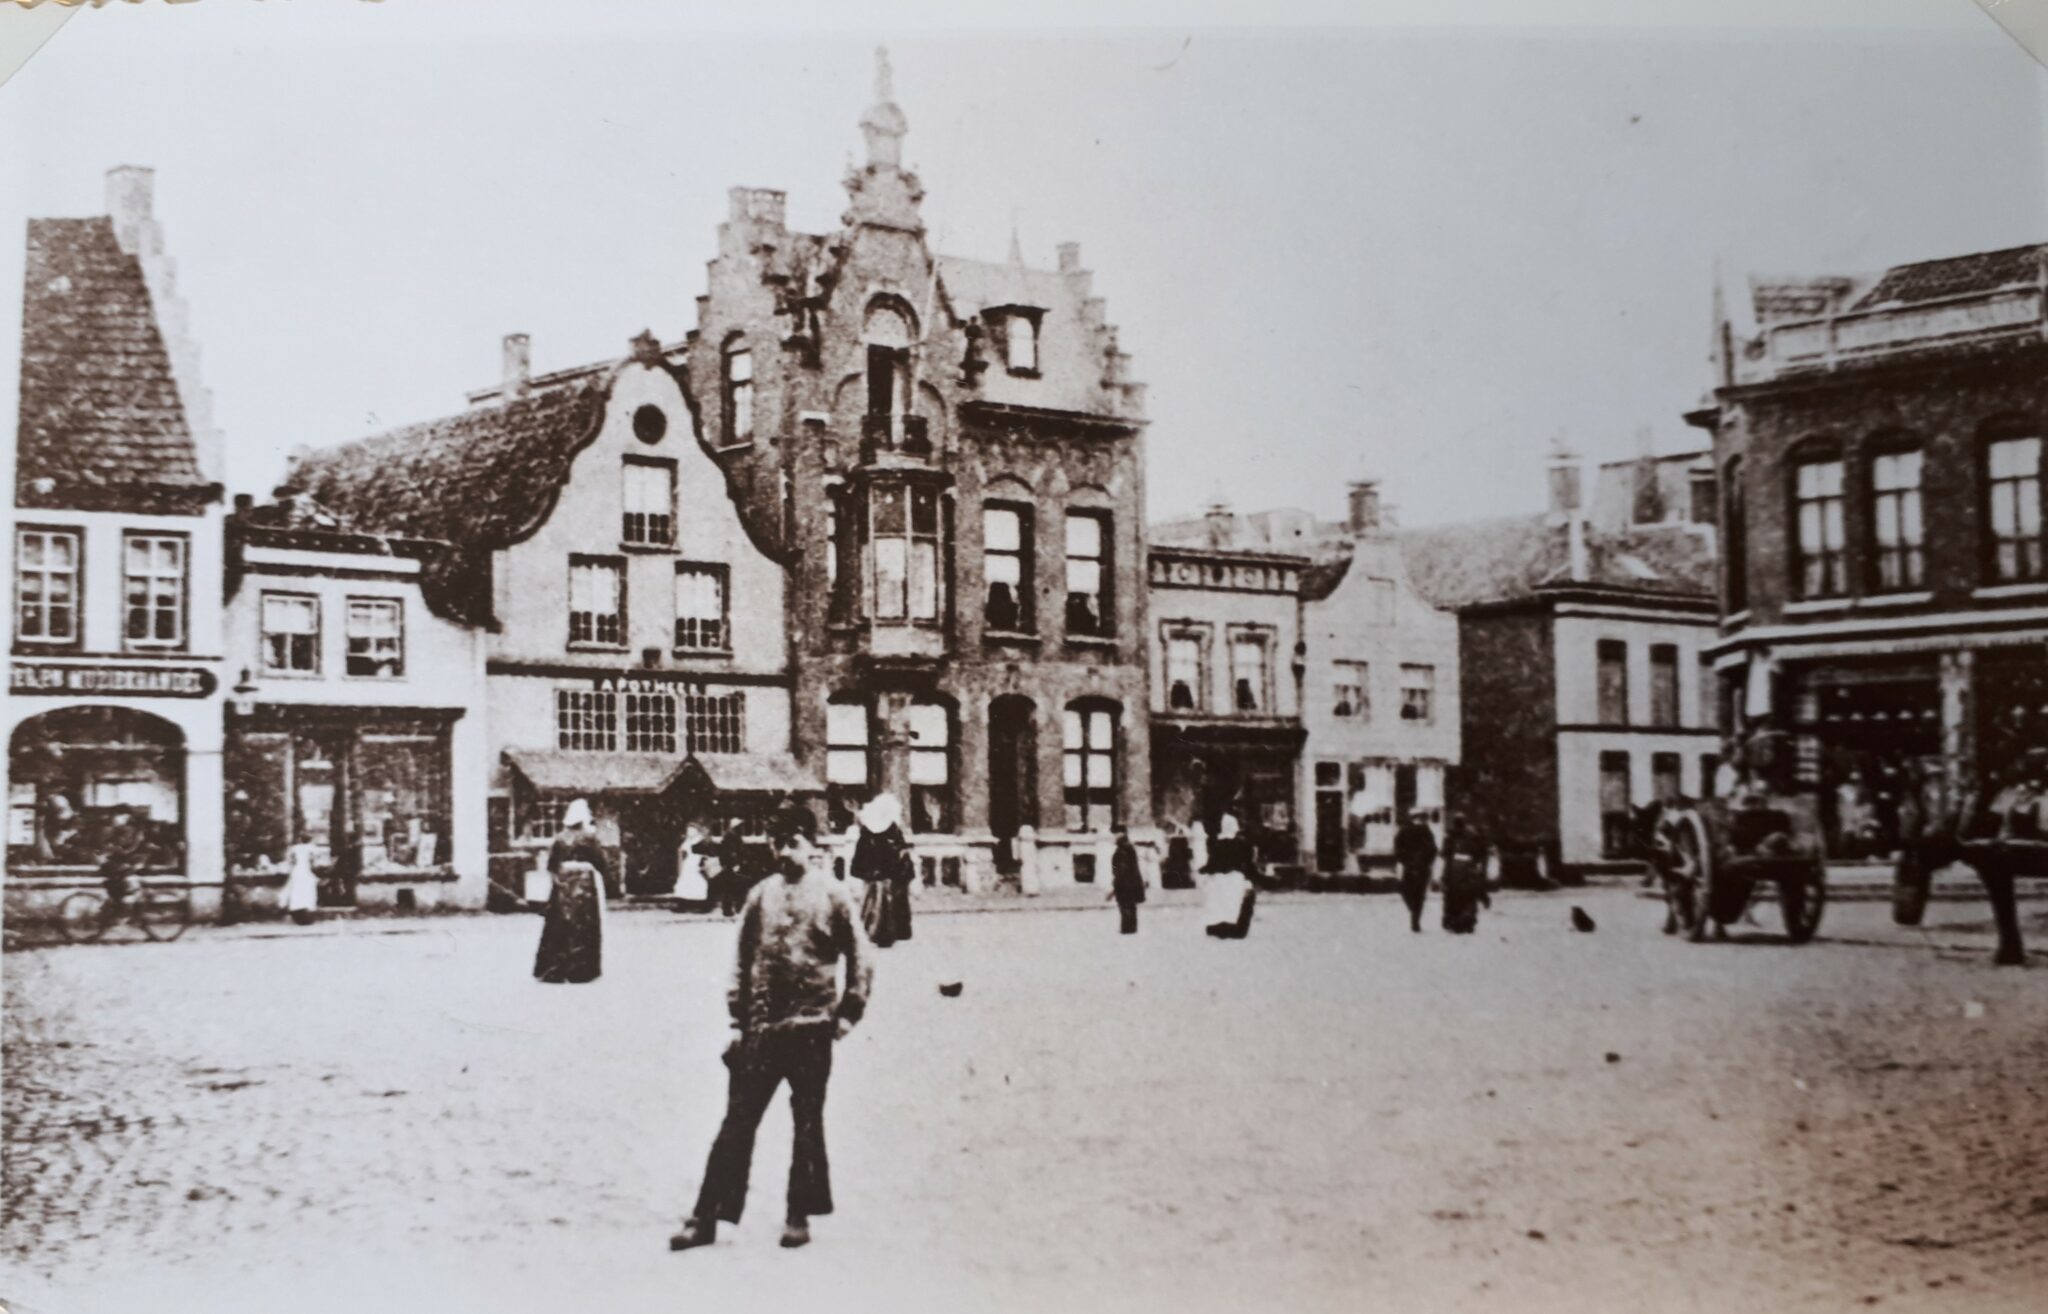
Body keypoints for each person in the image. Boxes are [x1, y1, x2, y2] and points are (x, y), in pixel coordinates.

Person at [671, 804, 874, 1253]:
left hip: (812, 1030)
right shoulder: (761, 894)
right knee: (737, 1122)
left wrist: (847, 1015)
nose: (785, 852)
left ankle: (798, 1215)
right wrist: (739, 1019)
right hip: (762, 1030)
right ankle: (705, 1217)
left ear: (813, 845)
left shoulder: (835, 896)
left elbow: (861, 957)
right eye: (778, 843)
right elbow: (741, 960)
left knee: (807, 1124)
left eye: (794, 843)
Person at [534, 799, 610, 984]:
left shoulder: (560, 838)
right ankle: (581, 970)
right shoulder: (589, 837)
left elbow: (552, 864)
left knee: (559, 923)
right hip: (584, 884)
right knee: (583, 924)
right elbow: (601, 862)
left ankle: (554, 969)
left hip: (563, 882)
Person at [851, 793, 913, 947]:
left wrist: (862, 870)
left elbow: (861, 853)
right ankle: (888, 933)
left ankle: (874, 932)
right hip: (888, 875)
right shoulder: (892, 830)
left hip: (875, 875)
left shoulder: (868, 831)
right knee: (887, 904)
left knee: (875, 904)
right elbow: (899, 851)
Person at [1201, 813, 1258, 939]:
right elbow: (1248, 865)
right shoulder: (1243, 845)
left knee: (1220, 907)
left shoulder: (1216, 845)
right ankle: (1236, 929)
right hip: (1235, 880)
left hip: (1218, 881)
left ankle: (1218, 928)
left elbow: (1211, 865)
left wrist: (1204, 872)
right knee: (1238, 903)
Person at [1440, 816, 1490, 935]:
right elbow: (1481, 853)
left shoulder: (1450, 836)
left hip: (1453, 869)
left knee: (1452, 895)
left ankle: (1452, 919)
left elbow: (1445, 854)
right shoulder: (1473, 836)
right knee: (1469, 895)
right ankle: (1466, 920)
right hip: (1468, 869)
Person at [1392, 813, 1439, 933]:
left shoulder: (1404, 830)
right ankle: (1415, 918)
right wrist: (1427, 862)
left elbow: (1397, 847)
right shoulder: (1425, 831)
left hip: (1410, 866)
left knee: (1406, 890)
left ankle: (1414, 916)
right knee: (1418, 895)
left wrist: (1403, 860)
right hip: (1421, 867)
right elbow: (1433, 849)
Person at [1109, 826, 1146, 935]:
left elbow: (1122, 868)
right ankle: (1131, 928)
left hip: (1125, 883)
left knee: (1125, 905)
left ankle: (1127, 929)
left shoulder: (1123, 849)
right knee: (1130, 905)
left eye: (1116, 834)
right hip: (1131, 882)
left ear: (1122, 834)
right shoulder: (1127, 847)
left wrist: (1116, 882)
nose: (1114, 836)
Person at [282, 829, 321, 926]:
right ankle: (308, 914)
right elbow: (315, 862)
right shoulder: (313, 848)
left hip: (297, 870)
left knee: (296, 891)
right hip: (306, 870)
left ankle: (297, 914)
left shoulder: (295, 848)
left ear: (300, 839)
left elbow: (290, 860)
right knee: (308, 892)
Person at [672, 823, 711, 907]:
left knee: (698, 882)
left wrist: (702, 863)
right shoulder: (687, 840)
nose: (690, 832)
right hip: (688, 863)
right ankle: (683, 904)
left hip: (697, 863)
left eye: (692, 831)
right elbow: (682, 850)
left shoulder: (700, 841)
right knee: (685, 882)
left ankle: (702, 905)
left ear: (697, 831)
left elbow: (706, 853)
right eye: (688, 831)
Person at [1161, 821, 1194, 891]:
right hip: (1179, 857)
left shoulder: (1174, 839)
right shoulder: (1182, 839)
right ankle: (1182, 883)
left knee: (1178, 869)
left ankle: (1178, 883)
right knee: (1180, 869)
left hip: (1177, 856)